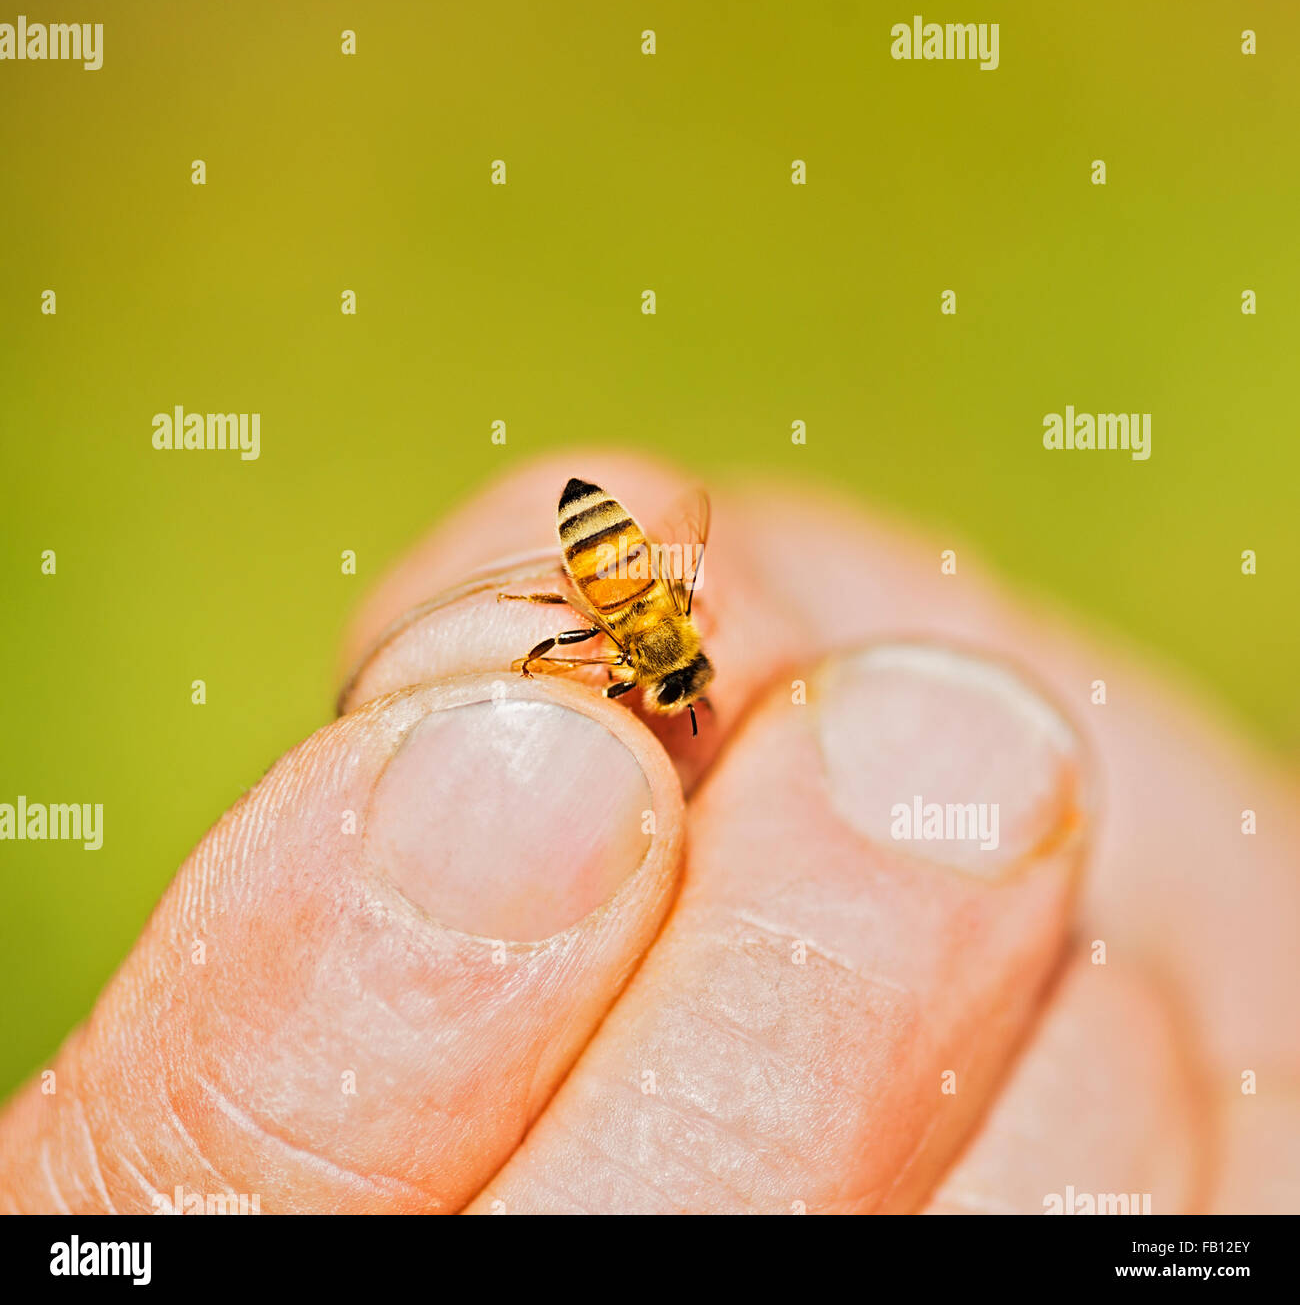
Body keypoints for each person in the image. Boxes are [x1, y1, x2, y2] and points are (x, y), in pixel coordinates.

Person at [1, 454, 1295, 1214]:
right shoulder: (619, 637)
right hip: (587, 551)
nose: (680, 702)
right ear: (643, 654)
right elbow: (571, 615)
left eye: (677, 695)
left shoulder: (666, 640)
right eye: (674, 690)